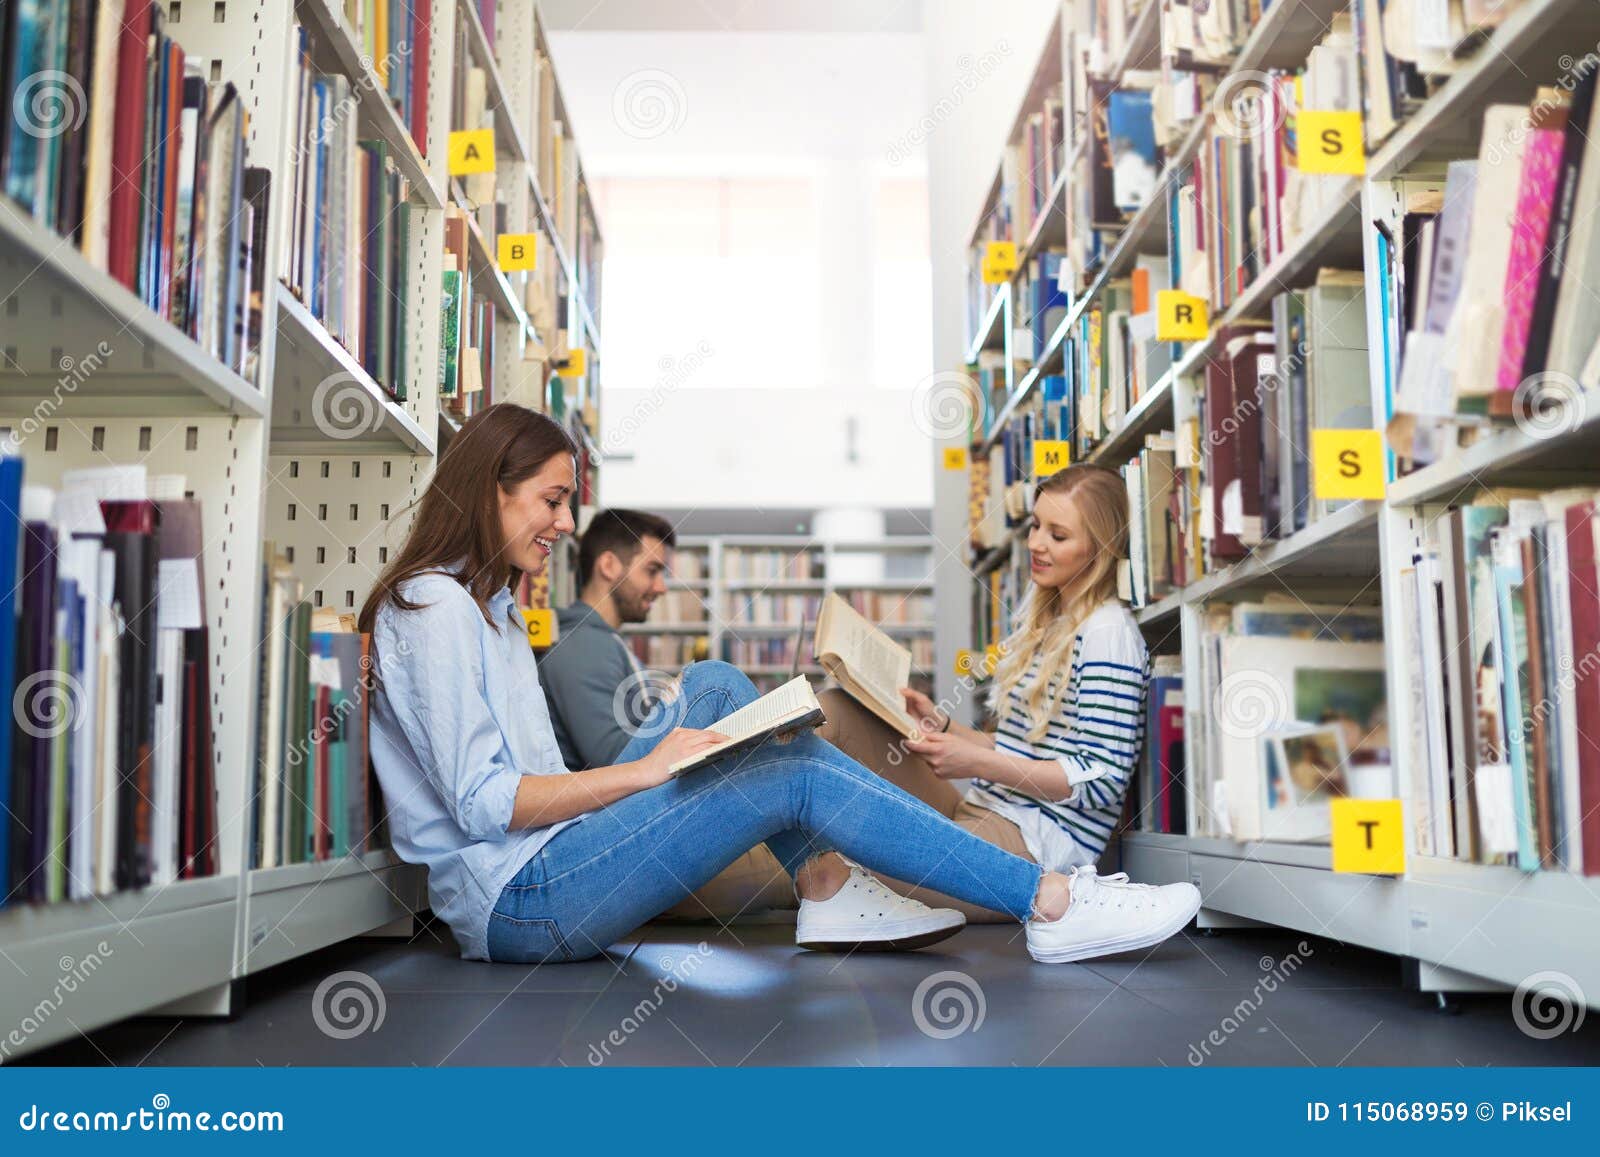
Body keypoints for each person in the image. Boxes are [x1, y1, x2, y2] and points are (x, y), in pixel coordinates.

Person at [360, 404, 1200, 966]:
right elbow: (480, 802)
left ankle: (826, 886)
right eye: (551, 500)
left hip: (556, 855)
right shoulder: (433, 607)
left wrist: (654, 766)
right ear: (488, 490)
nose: (567, 524)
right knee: (788, 771)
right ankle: (1052, 902)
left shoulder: (492, 609)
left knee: (721, 683)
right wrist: (649, 770)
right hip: (519, 902)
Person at [818, 464, 1152, 922]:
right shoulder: (1051, 621)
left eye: (1058, 535)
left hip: (1031, 845)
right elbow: (1026, 748)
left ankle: (700, 867)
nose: (1035, 543)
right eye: (1036, 525)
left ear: (1100, 549)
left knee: (832, 863)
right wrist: (942, 724)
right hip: (979, 807)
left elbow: (1101, 778)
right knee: (834, 711)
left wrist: (978, 763)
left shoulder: (1107, 633)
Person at [537, 507, 677, 772]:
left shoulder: (603, 642)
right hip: (604, 809)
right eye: (652, 570)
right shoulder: (582, 647)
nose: (661, 587)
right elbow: (615, 761)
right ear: (609, 565)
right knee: (714, 679)